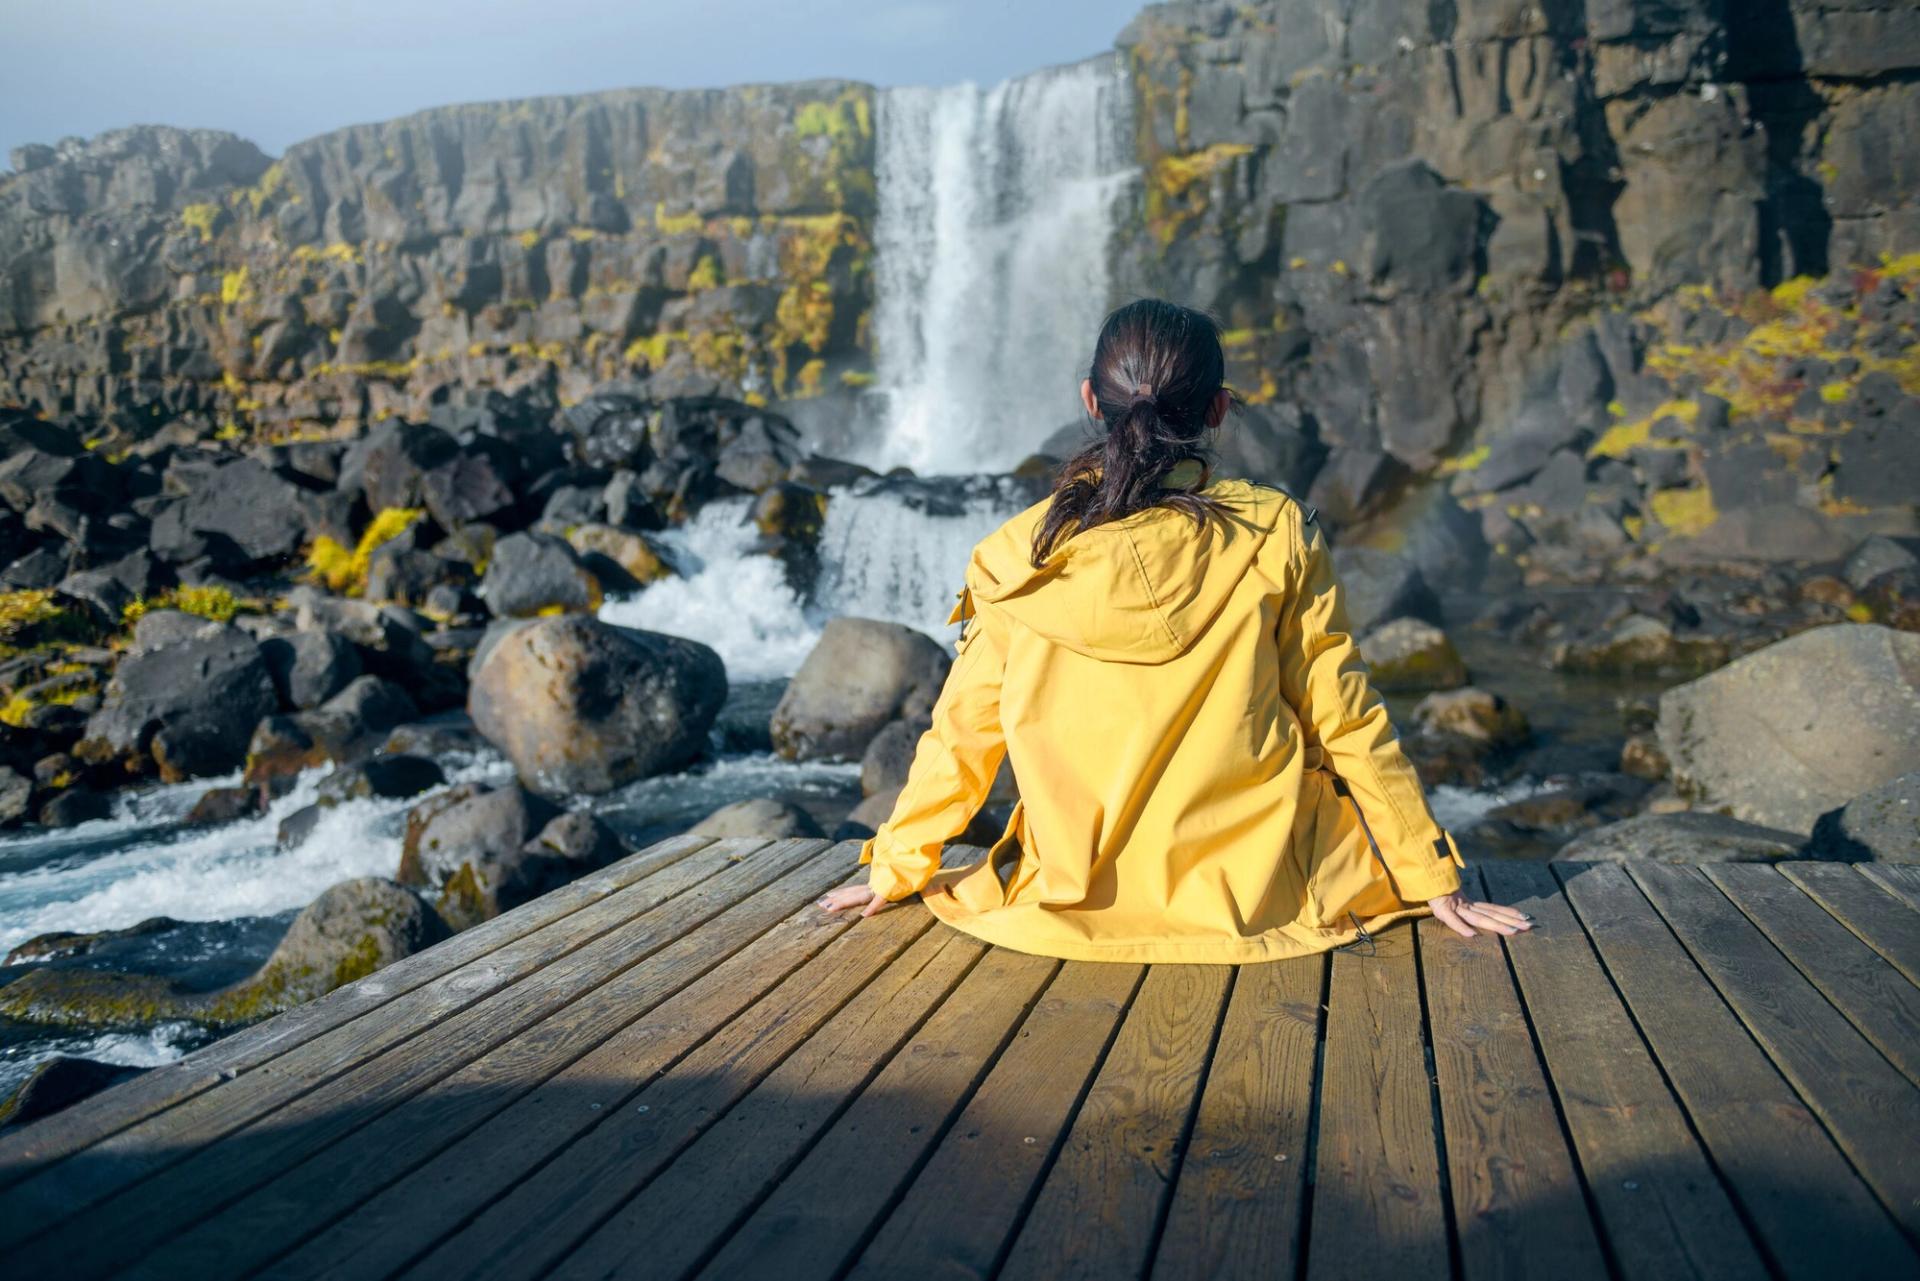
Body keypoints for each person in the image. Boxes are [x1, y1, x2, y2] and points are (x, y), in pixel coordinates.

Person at [817, 298, 1531, 961]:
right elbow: (1345, 716)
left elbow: (964, 735)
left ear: (1090, 401)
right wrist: (1431, 872)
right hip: (1259, 899)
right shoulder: (1276, 532)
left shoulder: (1015, 556)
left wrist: (897, 865)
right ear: (1217, 409)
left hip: (1067, 903)